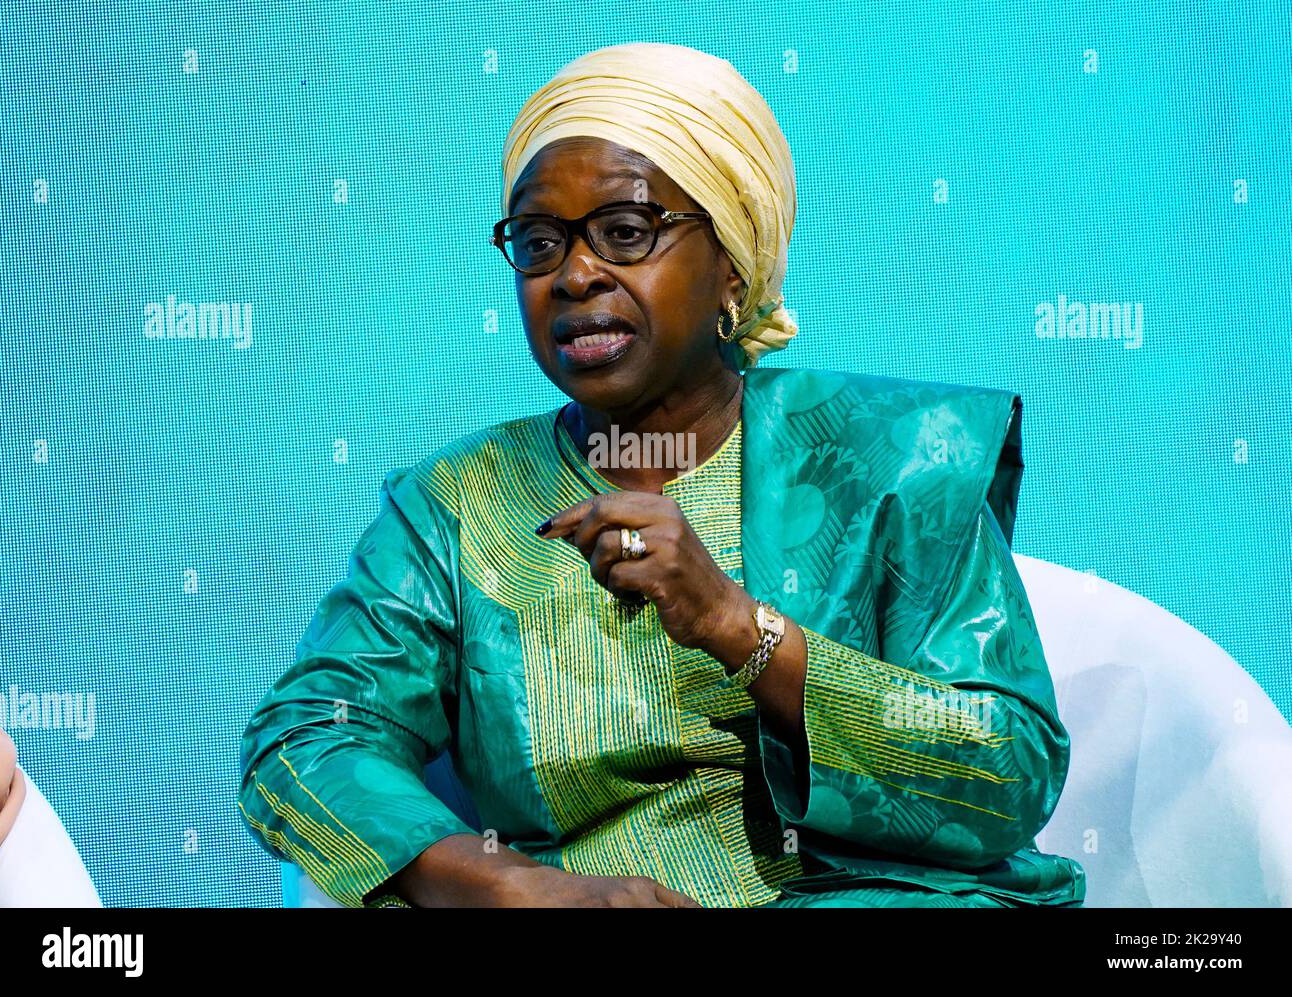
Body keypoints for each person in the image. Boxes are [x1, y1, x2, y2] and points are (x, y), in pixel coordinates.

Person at [237, 41, 1085, 908]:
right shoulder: (455, 506)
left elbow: (1007, 775)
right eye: (538, 242)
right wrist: (508, 886)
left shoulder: (894, 457)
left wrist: (736, 625)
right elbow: (303, 739)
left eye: (626, 232)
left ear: (732, 264)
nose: (574, 274)